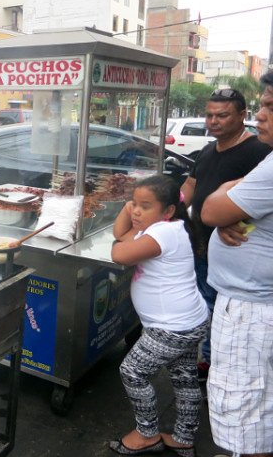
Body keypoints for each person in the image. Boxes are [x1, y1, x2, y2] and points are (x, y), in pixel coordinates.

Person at [108, 175, 209, 457]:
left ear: (167, 211)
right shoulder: (164, 228)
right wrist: (129, 210)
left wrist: (122, 243)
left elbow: (120, 253)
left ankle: (147, 434)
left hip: (172, 328)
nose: (136, 212)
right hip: (188, 321)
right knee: (184, 377)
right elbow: (121, 233)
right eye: (134, 204)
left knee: (133, 371)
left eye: (145, 206)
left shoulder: (162, 233)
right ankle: (184, 437)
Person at [201, 71, 273, 457]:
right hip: (246, 296)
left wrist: (228, 197)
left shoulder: (262, 155)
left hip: (252, 311)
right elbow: (198, 198)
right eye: (263, 105)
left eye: (269, 107)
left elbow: (211, 209)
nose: (263, 115)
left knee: (246, 417)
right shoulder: (210, 152)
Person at [180, 88, 270, 373]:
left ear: (242, 116)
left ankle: (211, 365)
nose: (213, 121)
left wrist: (240, 224)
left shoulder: (259, 151)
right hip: (200, 247)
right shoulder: (207, 150)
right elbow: (191, 187)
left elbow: (264, 201)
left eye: (222, 115)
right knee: (203, 308)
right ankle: (207, 360)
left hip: (235, 256)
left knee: (219, 312)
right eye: (209, 115)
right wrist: (169, 211)